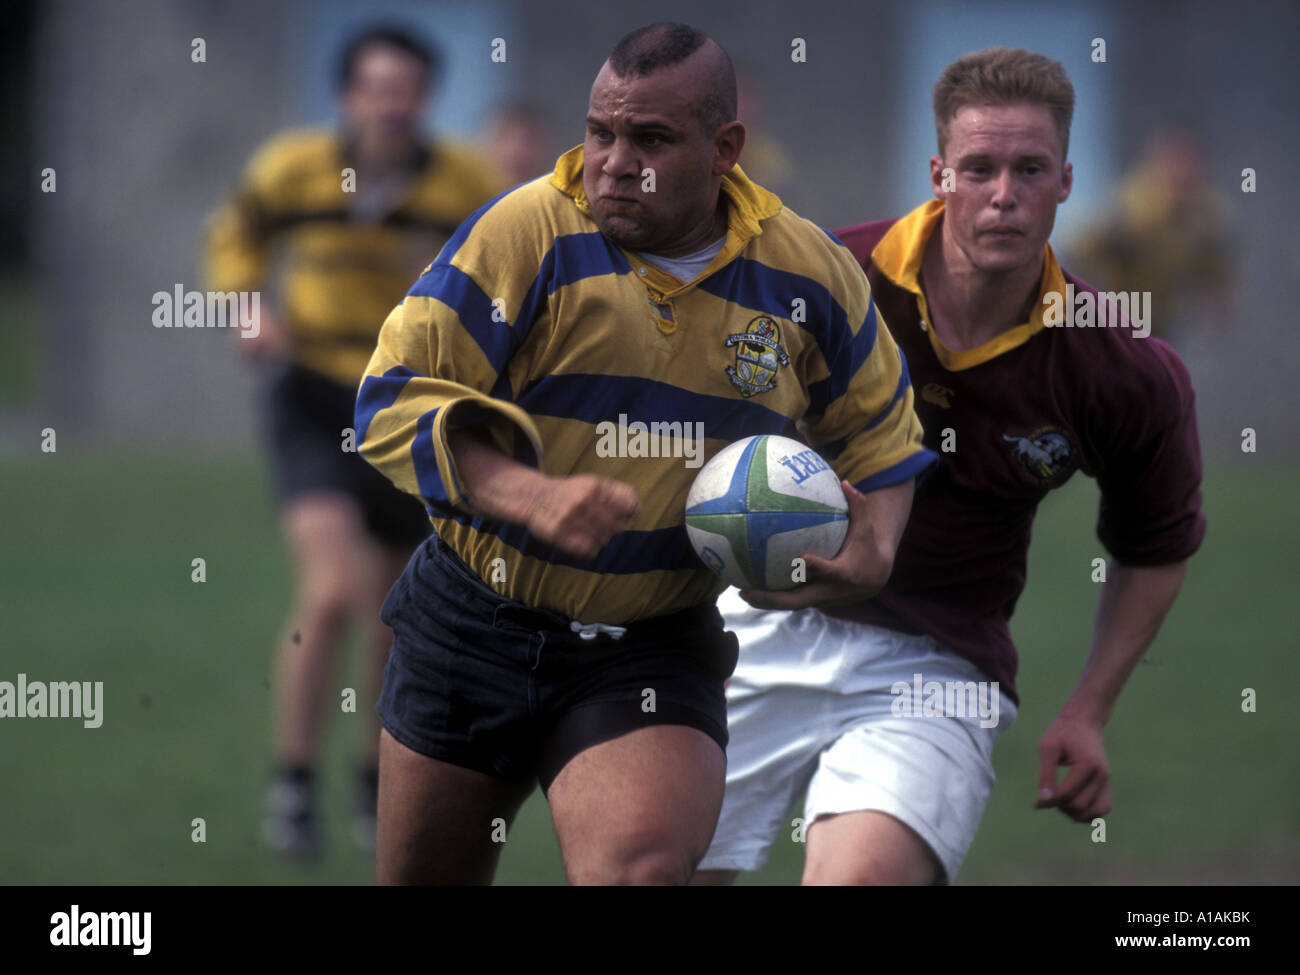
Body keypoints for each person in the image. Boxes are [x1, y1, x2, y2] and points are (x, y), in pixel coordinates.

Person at [354, 22, 935, 885]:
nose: (615, 161)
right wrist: (524, 491)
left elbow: (886, 440)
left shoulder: (808, 278)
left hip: (649, 648)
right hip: (470, 620)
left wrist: (872, 550)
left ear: (726, 147)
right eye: (601, 132)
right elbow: (388, 400)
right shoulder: (525, 236)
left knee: (642, 872)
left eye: (651, 139)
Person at [694, 47, 1207, 886]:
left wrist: (1088, 708)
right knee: (648, 870)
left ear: (1067, 180)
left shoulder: (1120, 366)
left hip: (937, 665)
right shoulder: (825, 281)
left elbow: (1154, 548)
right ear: (940, 174)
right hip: (754, 625)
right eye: (979, 168)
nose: (1003, 193)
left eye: (1029, 168)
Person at [204, 25, 502, 859]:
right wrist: (247, 308)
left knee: (391, 613)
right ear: (346, 96)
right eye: (376, 86)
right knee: (333, 591)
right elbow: (235, 237)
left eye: (406, 87)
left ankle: (373, 778)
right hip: (312, 394)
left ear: (426, 99)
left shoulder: (465, 183)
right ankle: (292, 781)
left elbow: (509, 268)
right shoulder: (291, 168)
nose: (391, 102)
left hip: (408, 406)